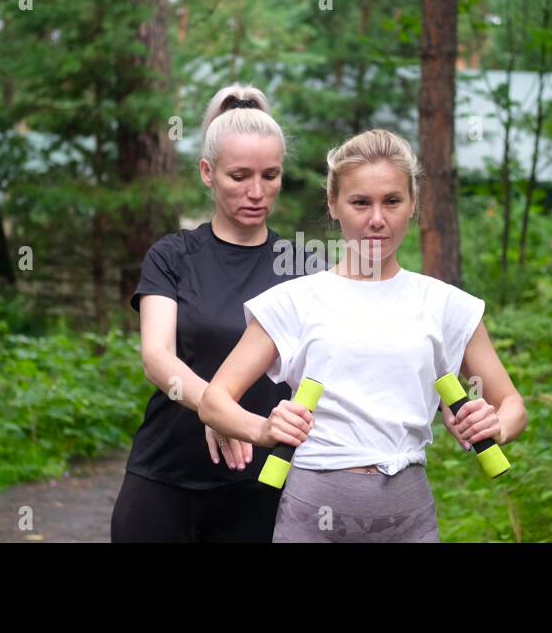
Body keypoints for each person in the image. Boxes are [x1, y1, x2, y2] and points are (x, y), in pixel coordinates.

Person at [199, 129, 528, 542]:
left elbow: (512, 404)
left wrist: (494, 424)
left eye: (392, 201)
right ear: (334, 205)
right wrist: (264, 430)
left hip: (409, 519)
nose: (377, 218)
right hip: (312, 517)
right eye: (360, 202)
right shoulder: (294, 302)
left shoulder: (446, 305)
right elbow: (215, 400)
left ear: (413, 205)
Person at [110, 84, 305, 542]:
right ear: (207, 173)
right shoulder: (172, 256)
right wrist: (220, 414)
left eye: (270, 175)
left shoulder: (302, 269)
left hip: (262, 484)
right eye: (239, 176)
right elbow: (157, 358)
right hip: (165, 474)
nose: (257, 192)